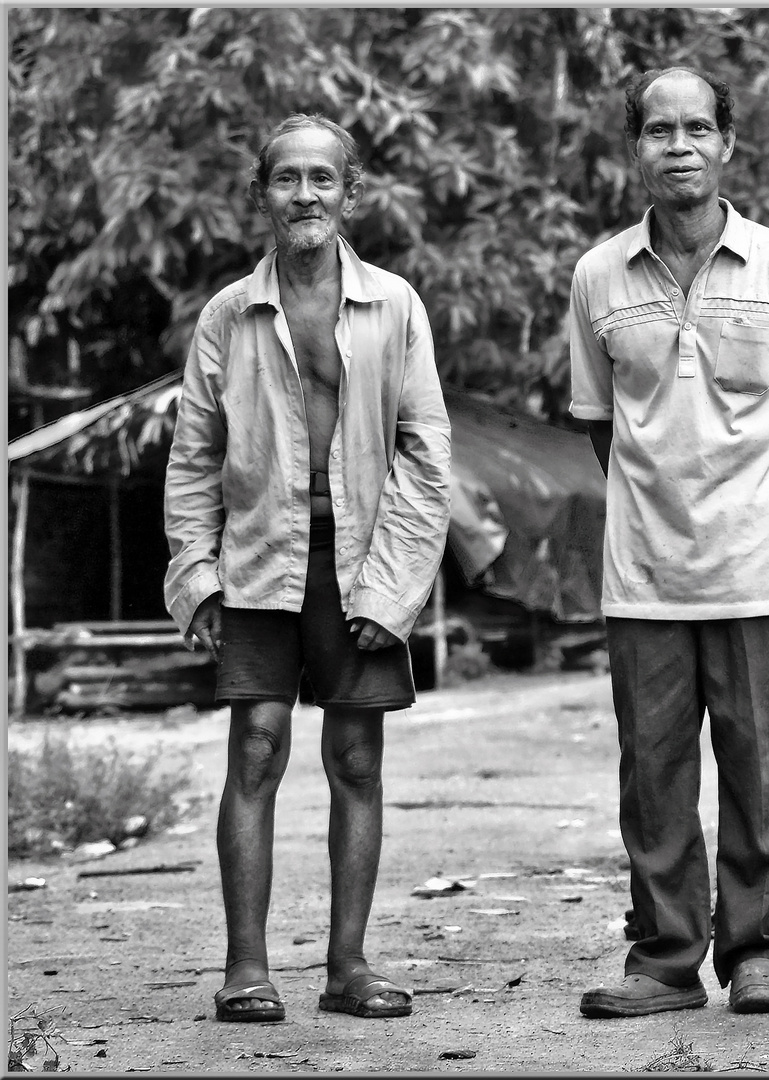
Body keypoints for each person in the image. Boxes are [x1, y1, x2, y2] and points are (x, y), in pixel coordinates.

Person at [164, 114, 452, 1024]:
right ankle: (245, 968)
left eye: (321, 179)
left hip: (361, 559)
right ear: (262, 196)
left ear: (350, 192)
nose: (304, 196)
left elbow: (425, 453)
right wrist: (196, 574)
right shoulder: (227, 315)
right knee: (255, 742)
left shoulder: (395, 306)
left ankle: (348, 966)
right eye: (286, 179)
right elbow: (193, 454)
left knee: (356, 756)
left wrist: (392, 590)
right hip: (256, 560)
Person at [569, 67, 769, 1019]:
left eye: (696, 128)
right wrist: (663, 490)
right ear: (635, 148)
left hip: (756, 565)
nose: (677, 145)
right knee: (653, 770)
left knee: (758, 763)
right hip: (642, 571)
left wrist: (735, 490)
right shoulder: (598, 275)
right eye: (657, 130)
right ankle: (664, 963)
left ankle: (760, 954)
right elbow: (603, 426)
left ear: (728, 142)